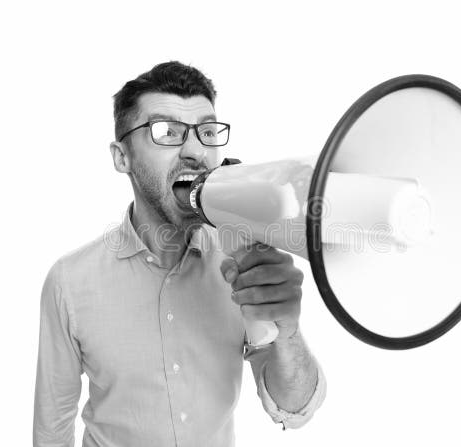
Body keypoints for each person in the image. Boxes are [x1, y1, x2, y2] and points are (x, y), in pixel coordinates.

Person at [33, 61, 325, 447]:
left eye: (207, 131)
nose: (195, 151)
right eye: (167, 132)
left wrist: (285, 331)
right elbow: (52, 429)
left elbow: (293, 407)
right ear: (122, 157)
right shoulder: (69, 282)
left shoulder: (240, 258)